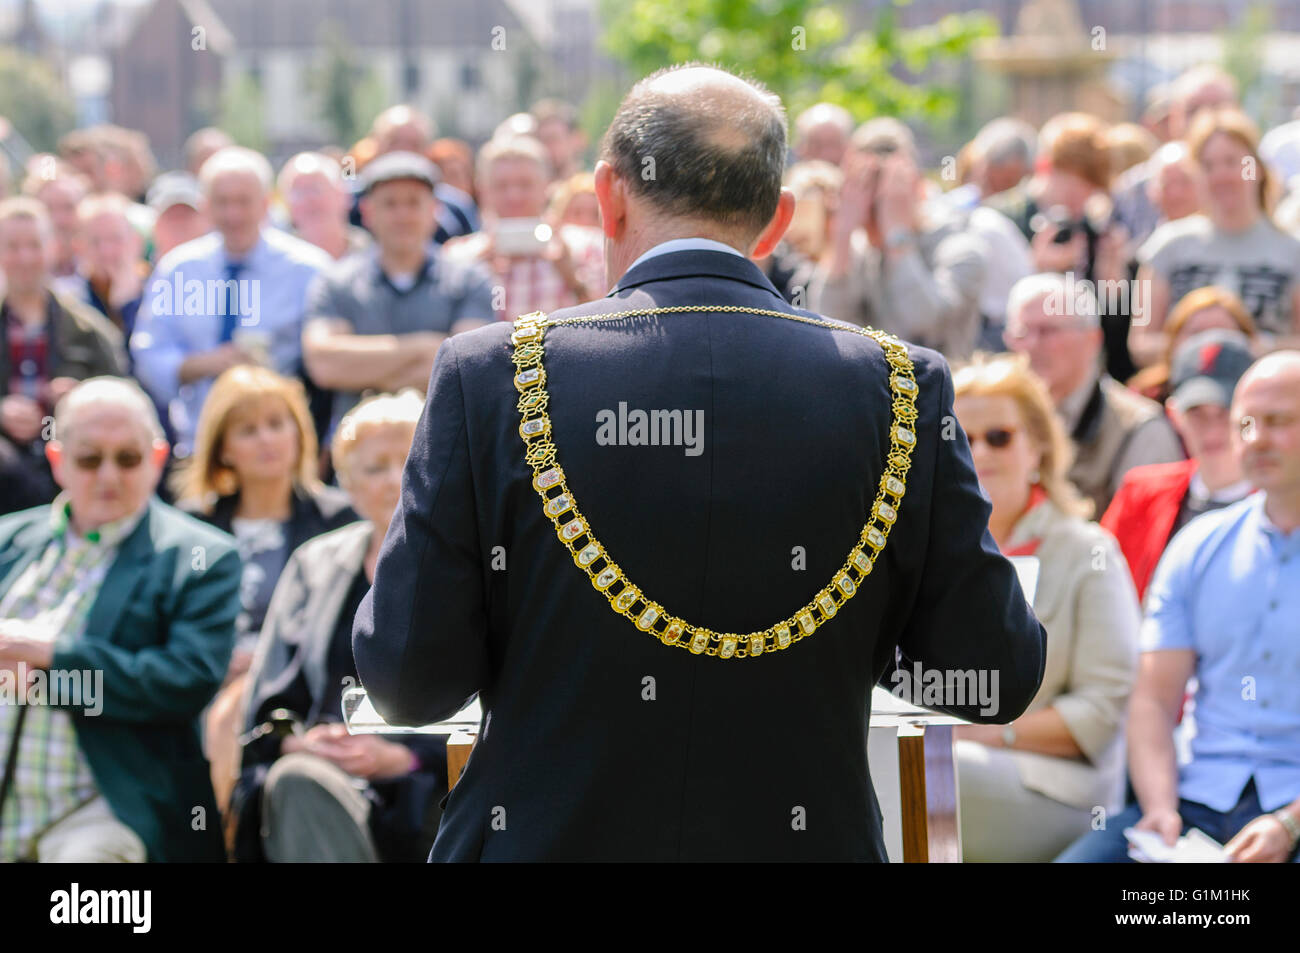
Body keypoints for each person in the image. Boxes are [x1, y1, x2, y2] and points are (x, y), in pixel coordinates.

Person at [353, 63, 1046, 862]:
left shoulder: (491, 375)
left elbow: (406, 679)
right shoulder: (898, 385)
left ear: (609, 195)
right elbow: (992, 672)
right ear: (778, 220)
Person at [1057, 351, 1300, 864]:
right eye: (1247, 424)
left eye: (1279, 422)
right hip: (1196, 803)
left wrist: (1289, 824)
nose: (1256, 438)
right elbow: (1153, 699)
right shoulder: (1197, 546)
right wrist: (1160, 807)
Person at [0, 377, 240, 862]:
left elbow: (185, 680)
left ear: (155, 459)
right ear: (57, 460)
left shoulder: (200, 556)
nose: (108, 475)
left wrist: (51, 658)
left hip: (106, 808)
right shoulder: (7, 539)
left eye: (127, 458)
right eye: (89, 459)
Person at [234, 391, 447, 862]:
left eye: (411, 459)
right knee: (296, 782)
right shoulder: (315, 564)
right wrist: (301, 743)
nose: (397, 479)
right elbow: (269, 704)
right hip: (325, 778)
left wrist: (403, 757)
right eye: (375, 468)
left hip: (436, 782)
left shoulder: (477, 566)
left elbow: (501, 712)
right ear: (347, 483)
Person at [952, 352, 1139, 862]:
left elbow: (1100, 713)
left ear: (1038, 447)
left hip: (1061, 787)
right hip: (952, 759)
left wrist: (978, 735)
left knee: (931, 773)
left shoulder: (1088, 550)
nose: (978, 453)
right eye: (960, 439)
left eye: (999, 436)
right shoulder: (932, 555)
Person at [131, 147, 333, 457]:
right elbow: (149, 351)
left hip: (280, 445)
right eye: (222, 203)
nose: (233, 215)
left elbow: (324, 362)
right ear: (205, 206)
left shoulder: (309, 270)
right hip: (199, 444)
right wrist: (201, 365)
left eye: (243, 201)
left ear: (266, 204)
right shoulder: (178, 269)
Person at [302, 151, 496, 440]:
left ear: (434, 211)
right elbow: (323, 364)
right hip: (358, 453)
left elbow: (467, 366)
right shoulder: (335, 281)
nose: (402, 215)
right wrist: (425, 348)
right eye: (390, 204)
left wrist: (362, 371)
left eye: (413, 203)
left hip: (444, 445)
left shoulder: (471, 279)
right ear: (367, 212)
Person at [809, 118, 988, 362]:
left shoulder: (961, 248)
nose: (873, 209)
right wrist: (842, 235)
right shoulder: (860, 252)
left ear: (915, 186)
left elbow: (923, 322)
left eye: (884, 196)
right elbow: (827, 327)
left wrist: (897, 236)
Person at [1004, 273, 1184, 513]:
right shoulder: (994, 420)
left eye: (1048, 331)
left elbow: (1144, 536)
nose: (1032, 345)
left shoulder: (1138, 428)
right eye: (1022, 333)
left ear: (1092, 340)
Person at [1132, 108, 1300, 365]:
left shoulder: (1292, 251)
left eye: (1232, 162)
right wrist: (1199, 347)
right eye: (1208, 165)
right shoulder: (1166, 246)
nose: (1221, 175)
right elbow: (1140, 342)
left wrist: (1255, 347)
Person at [1103, 330, 1254, 601]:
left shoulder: (1285, 502)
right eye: (1196, 413)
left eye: (1225, 411)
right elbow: (1101, 584)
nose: (1212, 430)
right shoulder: (1139, 494)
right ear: (1175, 415)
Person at [0, 198, 127, 514]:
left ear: (53, 248)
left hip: (73, 466)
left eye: (34, 245)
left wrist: (81, 399)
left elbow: (125, 402)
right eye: (12, 246)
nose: (24, 257)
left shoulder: (90, 330)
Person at [442, 135, 605, 320]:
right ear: (482, 189)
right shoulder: (458, 258)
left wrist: (573, 279)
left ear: (546, 186)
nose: (514, 196)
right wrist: (475, 273)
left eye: (525, 184)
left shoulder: (589, 248)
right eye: (501, 185)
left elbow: (607, 323)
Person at [1126, 285, 1256, 404]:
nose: (1208, 341)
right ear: (1174, 341)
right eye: (1196, 333)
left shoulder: (1262, 397)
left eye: (1221, 332)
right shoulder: (1143, 399)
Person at [277, 152, 370, 261]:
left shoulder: (374, 252)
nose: (309, 199)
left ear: (342, 194)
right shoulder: (278, 263)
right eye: (298, 192)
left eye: (315, 188)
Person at [145, 171, 210, 262]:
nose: (179, 226)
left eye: (186, 215)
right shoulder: (135, 272)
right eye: (171, 216)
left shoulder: (223, 272)